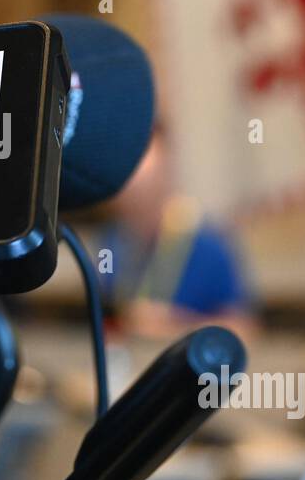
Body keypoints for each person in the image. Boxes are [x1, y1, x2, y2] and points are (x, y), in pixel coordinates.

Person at [101, 124, 255, 341]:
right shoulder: (113, 241)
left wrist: (171, 326)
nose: (135, 202)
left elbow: (244, 330)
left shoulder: (209, 243)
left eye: (147, 189)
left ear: (165, 180)